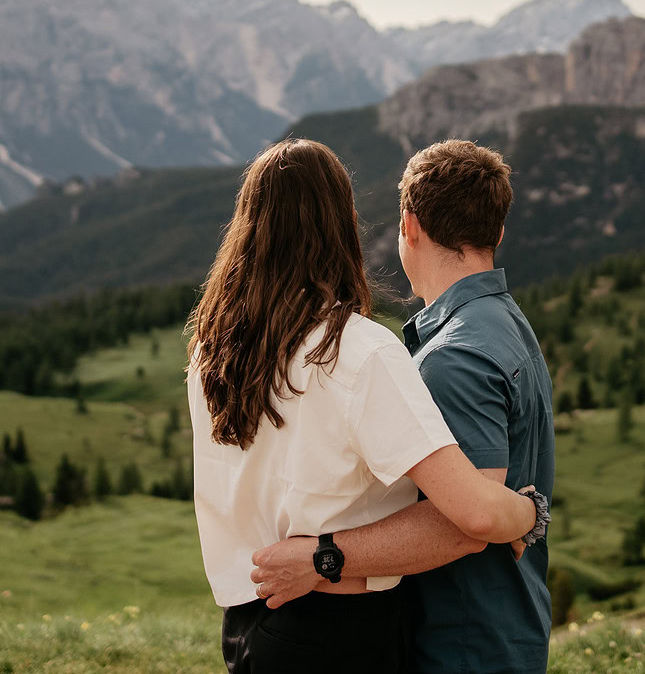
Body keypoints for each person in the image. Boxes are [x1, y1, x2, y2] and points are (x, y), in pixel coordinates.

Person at [186, 138, 546, 674]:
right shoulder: (358, 350)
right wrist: (529, 513)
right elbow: (475, 514)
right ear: (345, 225)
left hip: (249, 626)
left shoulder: (213, 351)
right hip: (343, 627)